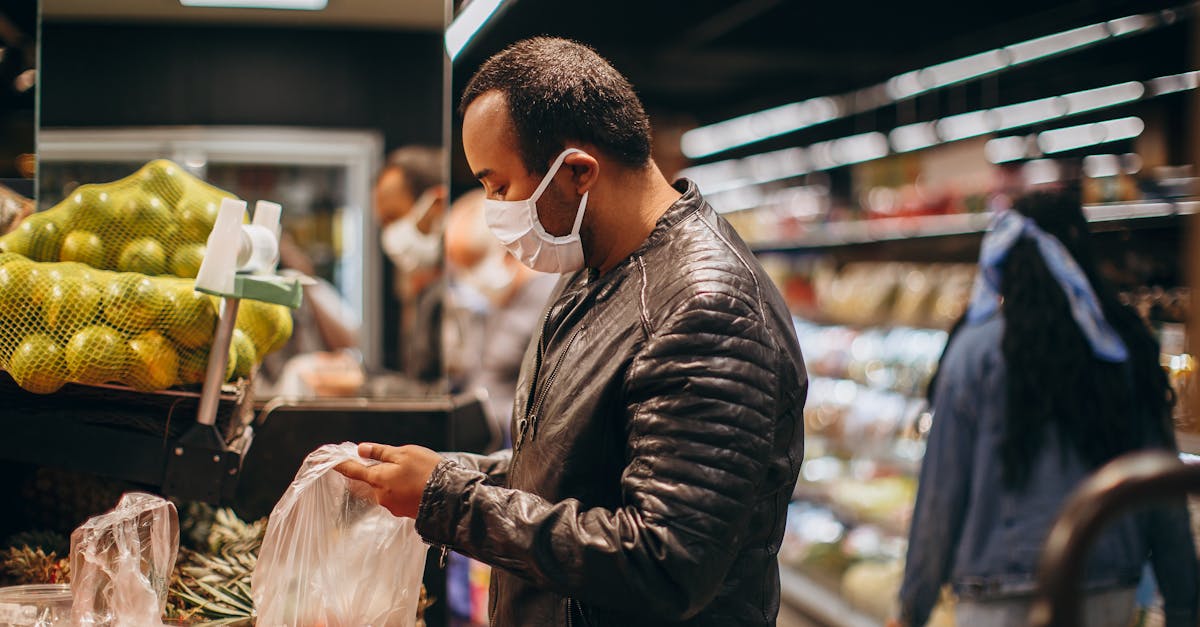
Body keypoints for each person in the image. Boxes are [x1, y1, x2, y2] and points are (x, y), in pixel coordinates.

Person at [337, 36, 807, 625]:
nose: (491, 209)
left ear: (578, 172)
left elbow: (663, 563)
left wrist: (449, 501)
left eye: (498, 186)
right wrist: (445, 474)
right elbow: (571, 468)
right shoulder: (595, 270)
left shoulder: (708, 309)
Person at [891, 188, 1198, 627]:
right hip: (1108, 586)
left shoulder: (973, 353)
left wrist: (911, 609)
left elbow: (941, 494)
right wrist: (1185, 605)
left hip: (997, 596)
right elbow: (1161, 488)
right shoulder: (1121, 346)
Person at [442, 187, 558, 446]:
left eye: (472, 264)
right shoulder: (489, 303)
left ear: (506, 250)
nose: (465, 278)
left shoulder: (548, 298)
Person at [372, 145, 447, 380]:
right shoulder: (415, 285)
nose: (389, 233)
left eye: (394, 217)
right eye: (383, 223)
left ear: (436, 205)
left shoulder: (462, 290)